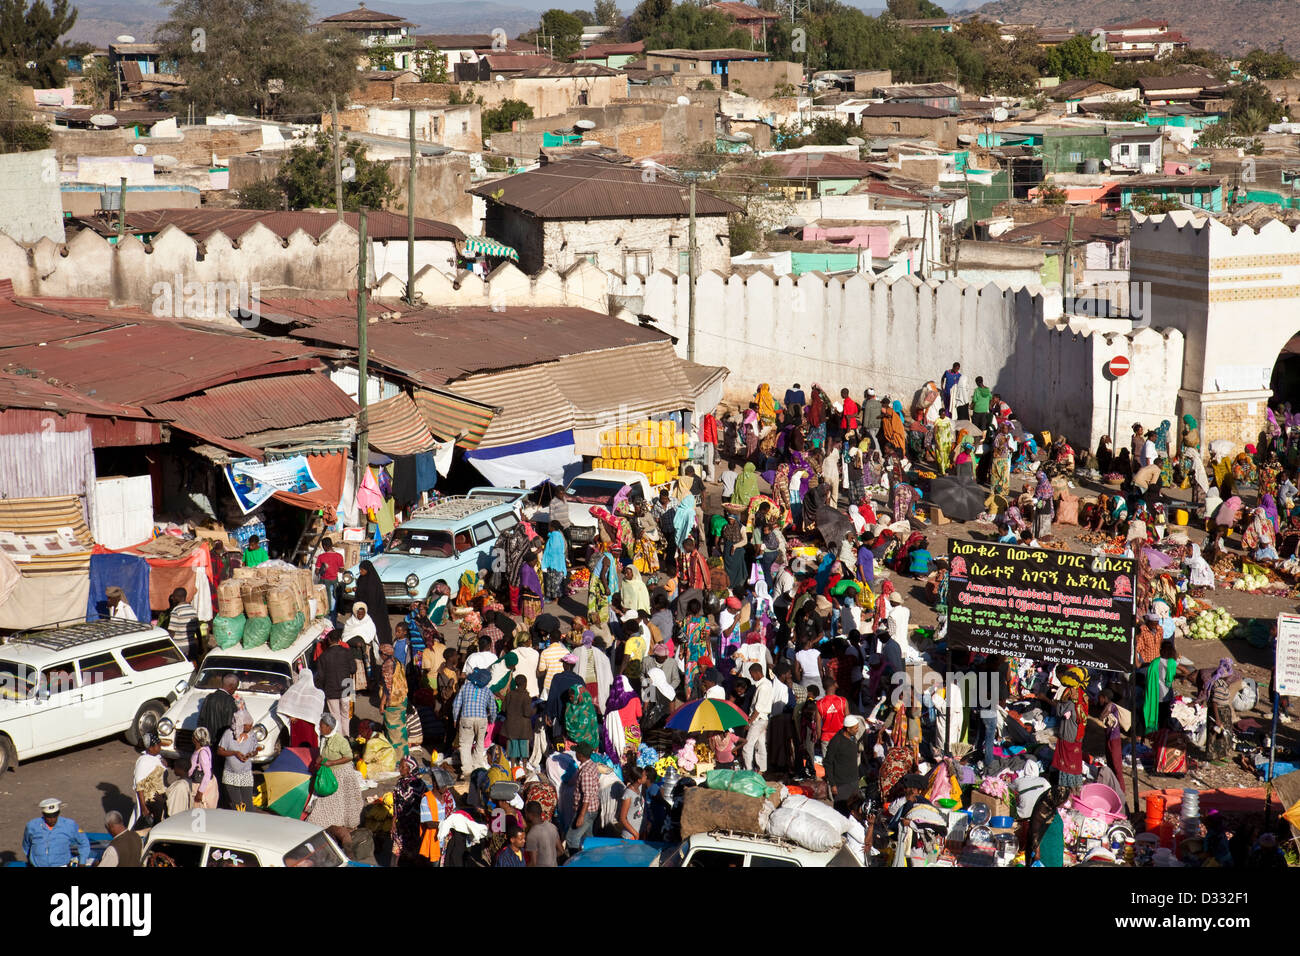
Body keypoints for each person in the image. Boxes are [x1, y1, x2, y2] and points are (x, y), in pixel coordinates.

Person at [308, 713, 365, 832]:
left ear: (329, 727)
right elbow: (323, 753)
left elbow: (349, 756)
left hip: (342, 775)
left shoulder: (340, 740)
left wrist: (332, 763)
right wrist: (319, 758)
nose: (319, 728)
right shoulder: (323, 739)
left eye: (322, 726)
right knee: (330, 803)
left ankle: (347, 825)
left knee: (346, 803)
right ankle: (329, 824)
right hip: (330, 774)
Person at [454, 667, 498, 778]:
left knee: (465, 744)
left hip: (466, 718)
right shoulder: (487, 691)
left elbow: (456, 704)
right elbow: (493, 708)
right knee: (479, 743)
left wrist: (455, 718)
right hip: (482, 719)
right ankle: (477, 767)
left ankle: (467, 770)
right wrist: (492, 720)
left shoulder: (465, 688)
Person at [23, 798, 90, 867]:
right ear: (43, 814)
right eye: (48, 816)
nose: (52, 820)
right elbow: (27, 845)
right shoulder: (32, 826)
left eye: (54, 816)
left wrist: (82, 862)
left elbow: (83, 842)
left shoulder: (70, 825)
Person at [218, 709, 259, 811]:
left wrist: (250, 754)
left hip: (245, 773)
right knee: (236, 804)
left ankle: (249, 824)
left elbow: (255, 750)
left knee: (248, 804)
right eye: (249, 724)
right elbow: (220, 751)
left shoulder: (252, 735)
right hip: (230, 774)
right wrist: (234, 753)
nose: (251, 726)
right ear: (242, 725)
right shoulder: (228, 734)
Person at [279, 667, 325, 757]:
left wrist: (290, 715)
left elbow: (283, 703)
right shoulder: (317, 693)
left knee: (297, 749)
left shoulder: (293, 690)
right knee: (310, 749)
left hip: (297, 724)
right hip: (310, 725)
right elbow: (318, 710)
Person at [316, 628, 355, 734]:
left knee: (335, 716)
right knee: (346, 715)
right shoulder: (347, 652)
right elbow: (353, 669)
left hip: (331, 689)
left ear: (328, 640)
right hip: (347, 687)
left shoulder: (323, 656)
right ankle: (347, 736)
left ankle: (339, 738)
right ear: (339, 640)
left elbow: (321, 677)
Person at [824, 714, 863, 815]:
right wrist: (832, 784)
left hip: (853, 781)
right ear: (848, 729)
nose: (857, 730)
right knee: (841, 812)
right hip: (842, 784)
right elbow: (828, 763)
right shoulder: (836, 741)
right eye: (855, 728)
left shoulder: (852, 738)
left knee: (854, 810)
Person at [566, 742, 600, 852]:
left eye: (576, 752)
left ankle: (575, 862)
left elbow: (587, 795)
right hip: (591, 809)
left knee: (571, 838)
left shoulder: (585, 772)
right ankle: (592, 859)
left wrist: (581, 816)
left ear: (580, 755)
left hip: (586, 811)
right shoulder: (592, 765)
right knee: (588, 839)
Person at [378, 642, 410, 759]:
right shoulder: (398, 662)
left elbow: (388, 686)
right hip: (402, 698)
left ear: (384, 654)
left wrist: (382, 704)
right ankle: (405, 756)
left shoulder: (387, 665)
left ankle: (397, 759)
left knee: (393, 731)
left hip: (393, 701)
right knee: (401, 729)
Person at [352, 560, 393, 645]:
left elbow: (372, 597)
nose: (360, 571)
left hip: (373, 609)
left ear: (368, 570)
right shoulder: (361, 579)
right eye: (360, 569)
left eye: (362, 570)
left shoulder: (373, 582)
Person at [742, 662, 772, 773]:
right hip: (763, 720)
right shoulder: (767, 684)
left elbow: (758, 709)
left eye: (752, 674)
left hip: (758, 720)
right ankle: (762, 769)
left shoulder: (763, 687)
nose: (752, 677)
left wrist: (749, 722)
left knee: (747, 746)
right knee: (760, 745)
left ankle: (748, 770)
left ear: (757, 672)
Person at [133, 733, 168, 825]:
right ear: (150, 748)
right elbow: (139, 786)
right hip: (151, 802)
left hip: (160, 800)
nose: (160, 748)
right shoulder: (143, 762)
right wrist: (144, 807)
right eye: (158, 746)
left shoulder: (157, 757)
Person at [503, 675, 534, 770]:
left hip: (511, 726)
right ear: (525, 684)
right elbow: (527, 713)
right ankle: (524, 768)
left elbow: (503, 709)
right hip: (523, 728)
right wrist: (536, 710)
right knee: (524, 749)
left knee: (513, 748)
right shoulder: (526, 696)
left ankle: (513, 767)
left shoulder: (510, 694)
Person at [524, 799, 563, 866]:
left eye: (526, 813)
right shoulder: (552, 826)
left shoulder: (532, 834)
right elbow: (561, 851)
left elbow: (533, 863)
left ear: (530, 815)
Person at [314, 537, 344, 623]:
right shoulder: (339, 556)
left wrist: (323, 569)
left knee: (324, 605)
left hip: (323, 585)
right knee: (333, 607)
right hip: (334, 583)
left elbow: (317, 572)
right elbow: (341, 570)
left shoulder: (321, 557)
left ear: (324, 546)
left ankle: (325, 625)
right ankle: (333, 625)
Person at [163, 587, 199, 658]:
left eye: (174, 596)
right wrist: (200, 646)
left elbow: (172, 632)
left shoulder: (176, 611)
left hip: (180, 647)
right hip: (192, 645)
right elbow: (198, 630)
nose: (172, 599)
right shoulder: (193, 610)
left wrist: (166, 645)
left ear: (178, 597)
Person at [188, 726, 219, 809]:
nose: (192, 738)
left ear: (197, 739)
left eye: (193, 736)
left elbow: (207, 773)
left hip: (201, 785)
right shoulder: (203, 749)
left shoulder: (202, 753)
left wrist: (200, 792)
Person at [795, 686, 822, 778]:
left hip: (807, 731)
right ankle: (810, 769)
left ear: (810, 693)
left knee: (809, 750)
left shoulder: (807, 704)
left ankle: (812, 770)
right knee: (809, 750)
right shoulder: (814, 704)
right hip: (810, 731)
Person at [619, 763, 648, 840]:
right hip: (631, 835)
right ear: (639, 780)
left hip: (640, 832)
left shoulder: (640, 787)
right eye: (644, 775)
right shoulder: (628, 794)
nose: (646, 777)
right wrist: (635, 833)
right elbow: (622, 818)